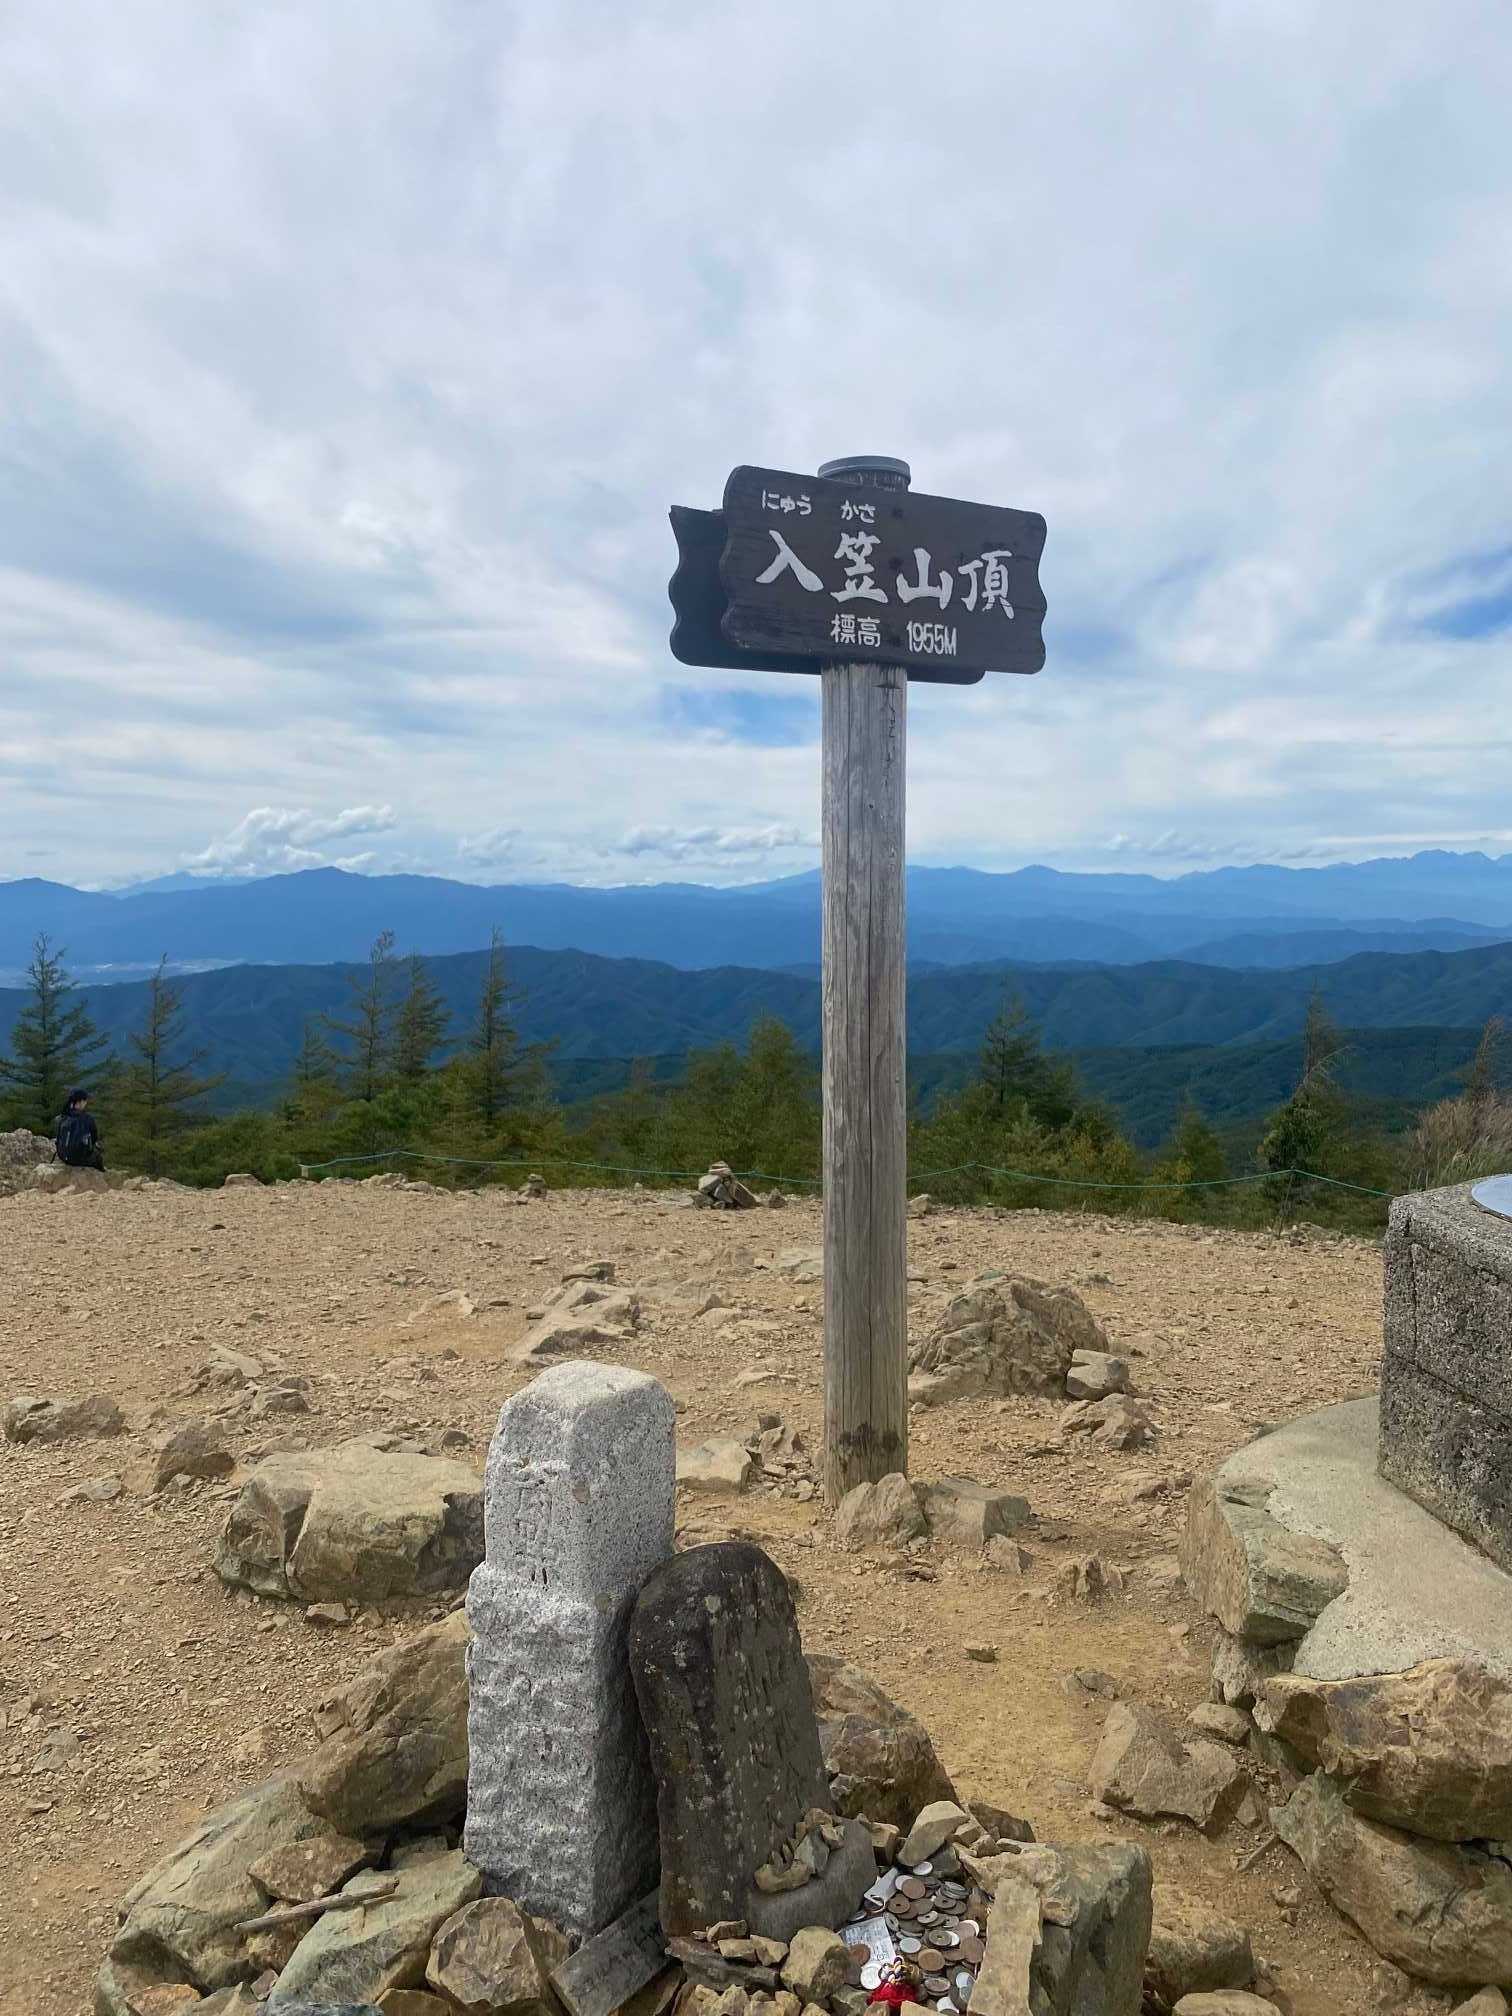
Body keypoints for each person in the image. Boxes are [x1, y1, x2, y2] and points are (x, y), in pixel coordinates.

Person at [56, 1088, 105, 1171]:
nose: (86, 1103)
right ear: (80, 1101)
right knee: (98, 1158)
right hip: (79, 1159)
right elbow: (94, 1138)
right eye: (85, 1100)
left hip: (63, 1156)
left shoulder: (63, 1117)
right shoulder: (87, 1119)